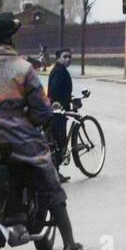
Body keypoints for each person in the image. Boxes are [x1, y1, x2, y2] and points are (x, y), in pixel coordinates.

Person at [0, 14, 90, 250]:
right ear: (10, 39)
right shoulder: (23, 68)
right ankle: (69, 244)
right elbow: (42, 110)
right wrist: (32, 120)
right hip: (15, 135)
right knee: (48, 174)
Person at [48, 48, 74, 180]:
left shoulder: (60, 70)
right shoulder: (59, 72)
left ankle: (55, 171)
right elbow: (55, 90)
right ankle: (55, 173)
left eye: (69, 57)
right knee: (60, 141)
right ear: (58, 58)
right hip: (57, 111)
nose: (68, 59)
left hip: (58, 109)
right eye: (65, 57)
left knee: (57, 141)